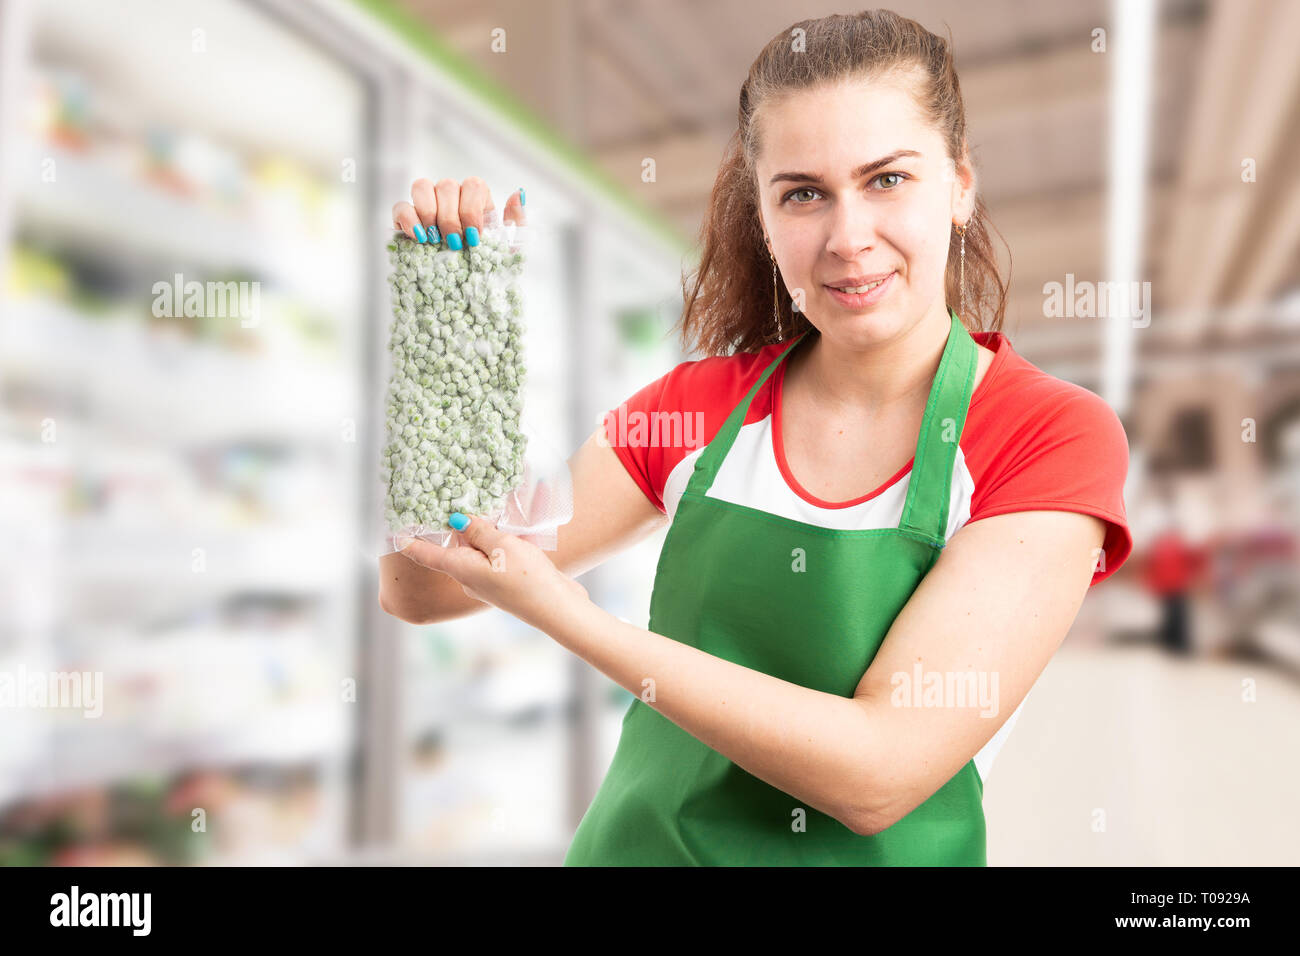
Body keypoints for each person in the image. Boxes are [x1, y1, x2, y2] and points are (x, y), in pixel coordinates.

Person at [380, 9, 1133, 865]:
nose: (849, 238)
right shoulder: (698, 409)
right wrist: (451, 337)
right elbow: (425, 590)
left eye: (887, 180)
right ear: (765, 217)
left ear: (960, 186)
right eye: (804, 193)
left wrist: (573, 621)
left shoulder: (1046, 435)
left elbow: (879, 772)